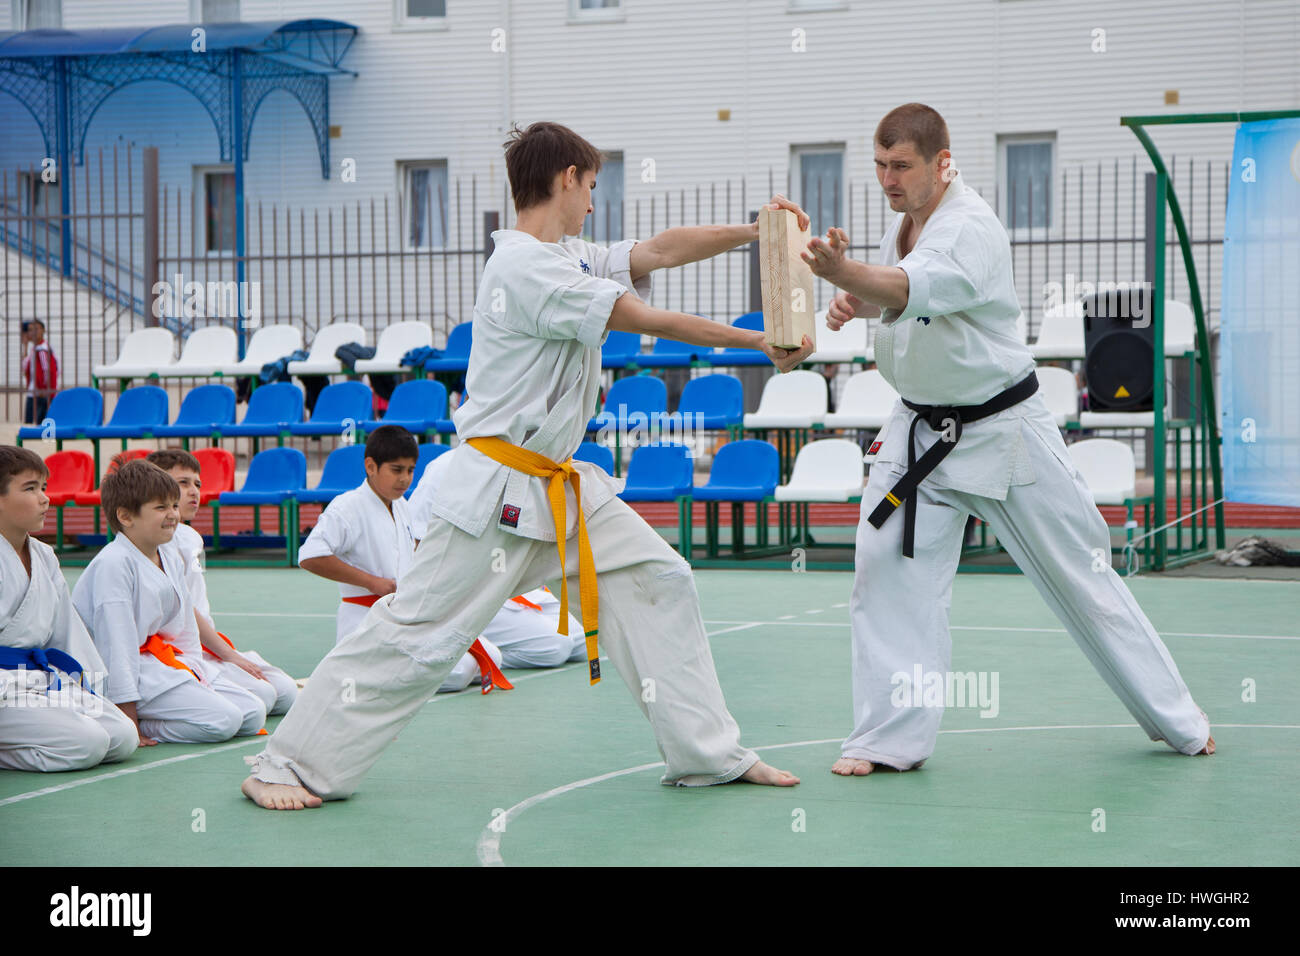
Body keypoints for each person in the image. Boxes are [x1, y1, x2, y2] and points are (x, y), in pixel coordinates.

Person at [240, 121, 813, 810]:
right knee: (418, 634)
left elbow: (660, 249)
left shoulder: (568, 255)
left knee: (661, 575)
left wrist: (755, 233)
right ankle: (285, 763)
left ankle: (707, 754)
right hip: (494, 492)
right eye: (593, 186)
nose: (596, 203)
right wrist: (762, 340)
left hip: (560, 486)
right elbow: (646, 320)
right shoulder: (525, 267)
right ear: (567, 178)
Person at [801, 103, 1213, 777]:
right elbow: (901, 300)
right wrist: (856, 299)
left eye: (900, 166)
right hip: (920, 433)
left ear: (942, 160)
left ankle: (1180, 720)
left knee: (1081, 577)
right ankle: (887, 740)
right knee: (884, 568)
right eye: (878, 166)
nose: (888, 179)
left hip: (1003, 431)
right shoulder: (906, 224)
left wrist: (844, 278)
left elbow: (913, 285)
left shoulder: (971, 226)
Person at [297, 426, 506, 693]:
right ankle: (362, 670)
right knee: (460, 670)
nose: (405, 479)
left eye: (410, 470)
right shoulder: (347, 506)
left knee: (490, 655)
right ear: (371, 466)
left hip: (405, 618)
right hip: (366, 621)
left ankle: (383, 672)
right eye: (396, 470)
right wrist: (372, 582)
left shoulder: (401, 506)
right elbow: (310, 556)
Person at [72, 460, 267, 745]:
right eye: (161, 508)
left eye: (174, 506)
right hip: (115, 670)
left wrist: (195, 672)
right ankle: (142, 723)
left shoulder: (167, 555)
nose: (173, 515)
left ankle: (170, 707)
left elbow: (185, 627)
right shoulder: (113, 564)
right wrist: (129, 720)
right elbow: (117, 646)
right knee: (224, 721)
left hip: (159, 662)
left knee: (252, 713)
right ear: (126, 516)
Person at [0, 446, 137, 772]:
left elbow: (66, 633)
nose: (45, 499)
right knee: (87, 743)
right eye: (30, 489)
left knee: (121, 736)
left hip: (33, 679)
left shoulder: (44, 556)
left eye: (44, 488)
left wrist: (91, 688)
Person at [146, 448, 298, 715]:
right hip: (177, 652)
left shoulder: (190, 537)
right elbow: (186, 610)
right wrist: (229, 655)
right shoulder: (158, 542)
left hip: (206, 645)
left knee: (285, 693)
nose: (194, 491)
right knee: (261, 697)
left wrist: (225, 652)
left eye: (197, 484)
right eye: (183, 483)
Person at [409, 449, 585, 669]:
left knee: (584, 632)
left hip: (511, 584)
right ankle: (485, 652)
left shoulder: (523, 463)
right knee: (555, 646)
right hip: (466, 593)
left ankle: (493, 646)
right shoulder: (446, 468)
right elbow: (417, 541)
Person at [21, 319, 58, 426]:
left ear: (43, 330)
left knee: (42, 426)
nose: (33, 332)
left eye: (36, 329)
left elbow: (48, 370)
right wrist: (25, 346)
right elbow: (24, 369)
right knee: (29, 425)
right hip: (33, 392)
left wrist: (45, 389)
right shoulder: (34, 349)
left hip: (42, 393)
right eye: (30, 330)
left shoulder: (43, 349)